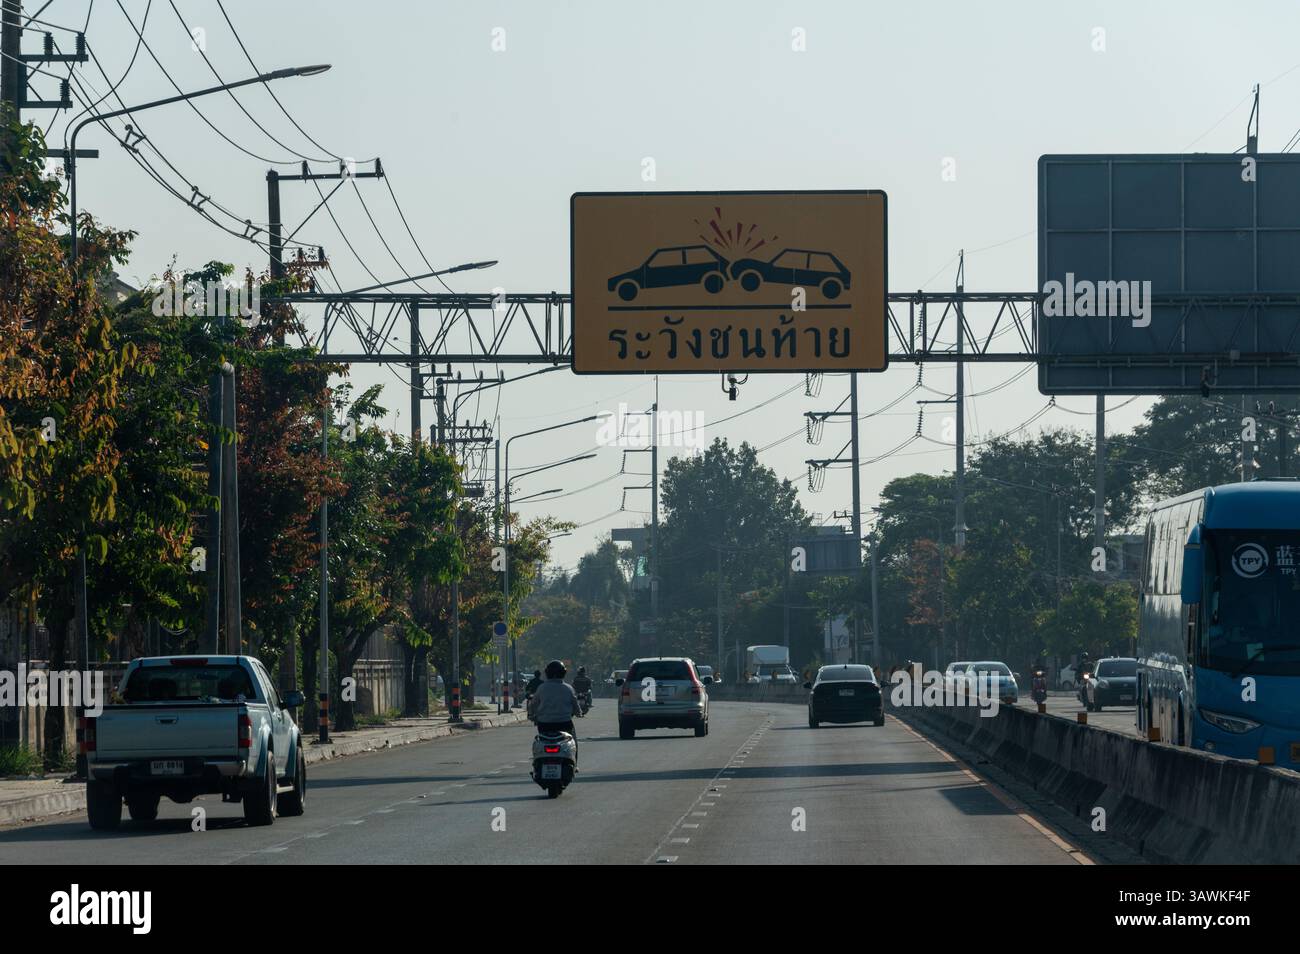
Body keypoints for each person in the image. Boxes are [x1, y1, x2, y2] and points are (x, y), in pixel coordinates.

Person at [533, 660, 582, 750]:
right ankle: (573, 762)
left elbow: (533, 704)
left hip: (544, 724)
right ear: (563, 673)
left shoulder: (542, 688)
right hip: (564, 723)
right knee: (573, 744)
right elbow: (576, 705)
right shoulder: (568, 688)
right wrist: (579, 713)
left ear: (547, 673)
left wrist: (532, 715)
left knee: (540, 742)